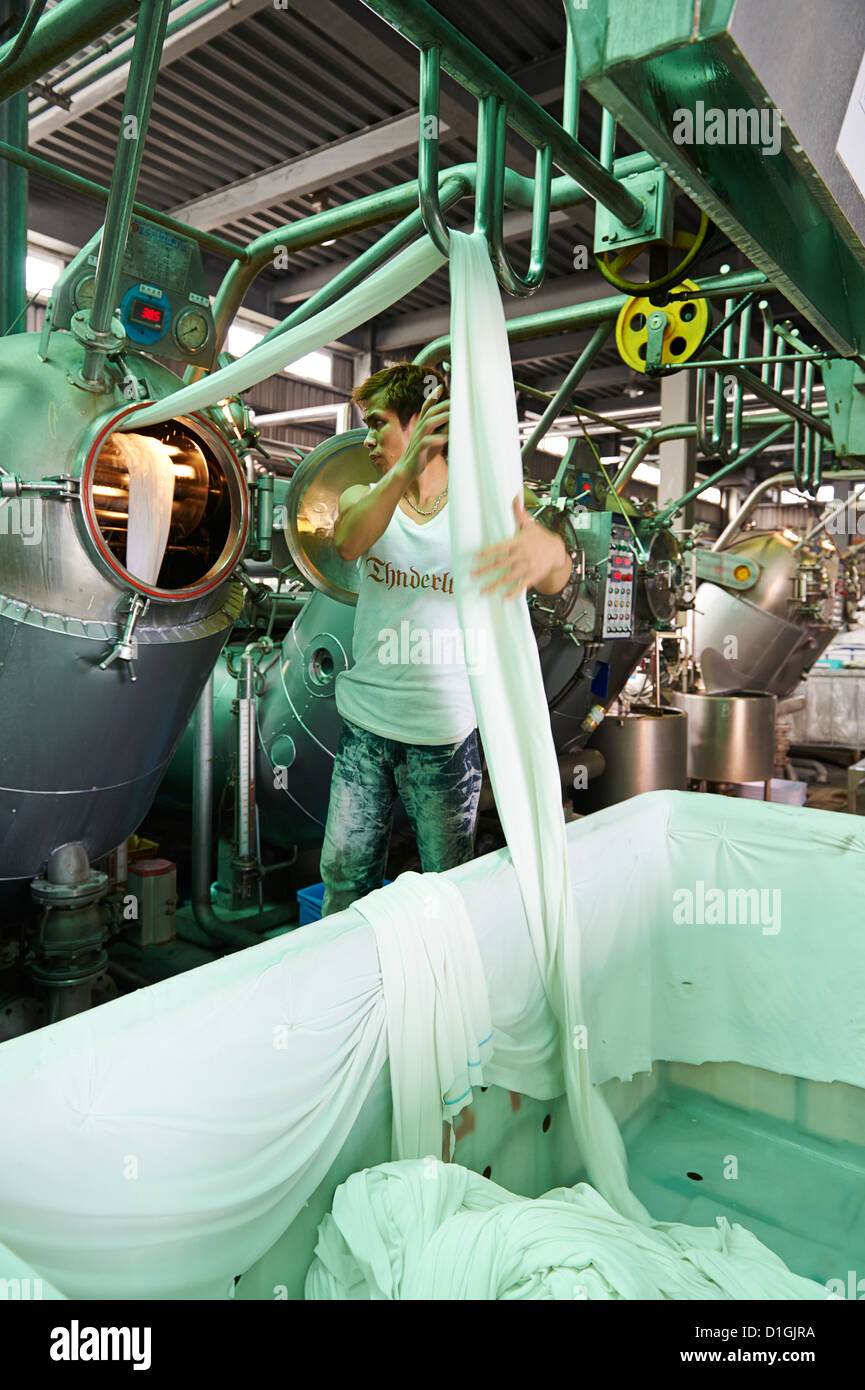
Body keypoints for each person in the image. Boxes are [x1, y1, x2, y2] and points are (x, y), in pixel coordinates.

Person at [318, 362, 572, 917]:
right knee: (344, 877)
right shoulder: (367, 494)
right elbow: (347, 542)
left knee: (451, 884)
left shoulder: (479, 509)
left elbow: (557, 572)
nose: (368, 437)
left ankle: (446, 994)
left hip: (444, 733)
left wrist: (548, 556)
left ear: (423, 424)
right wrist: (406, 467)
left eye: (378, 422)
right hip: (366, 725)